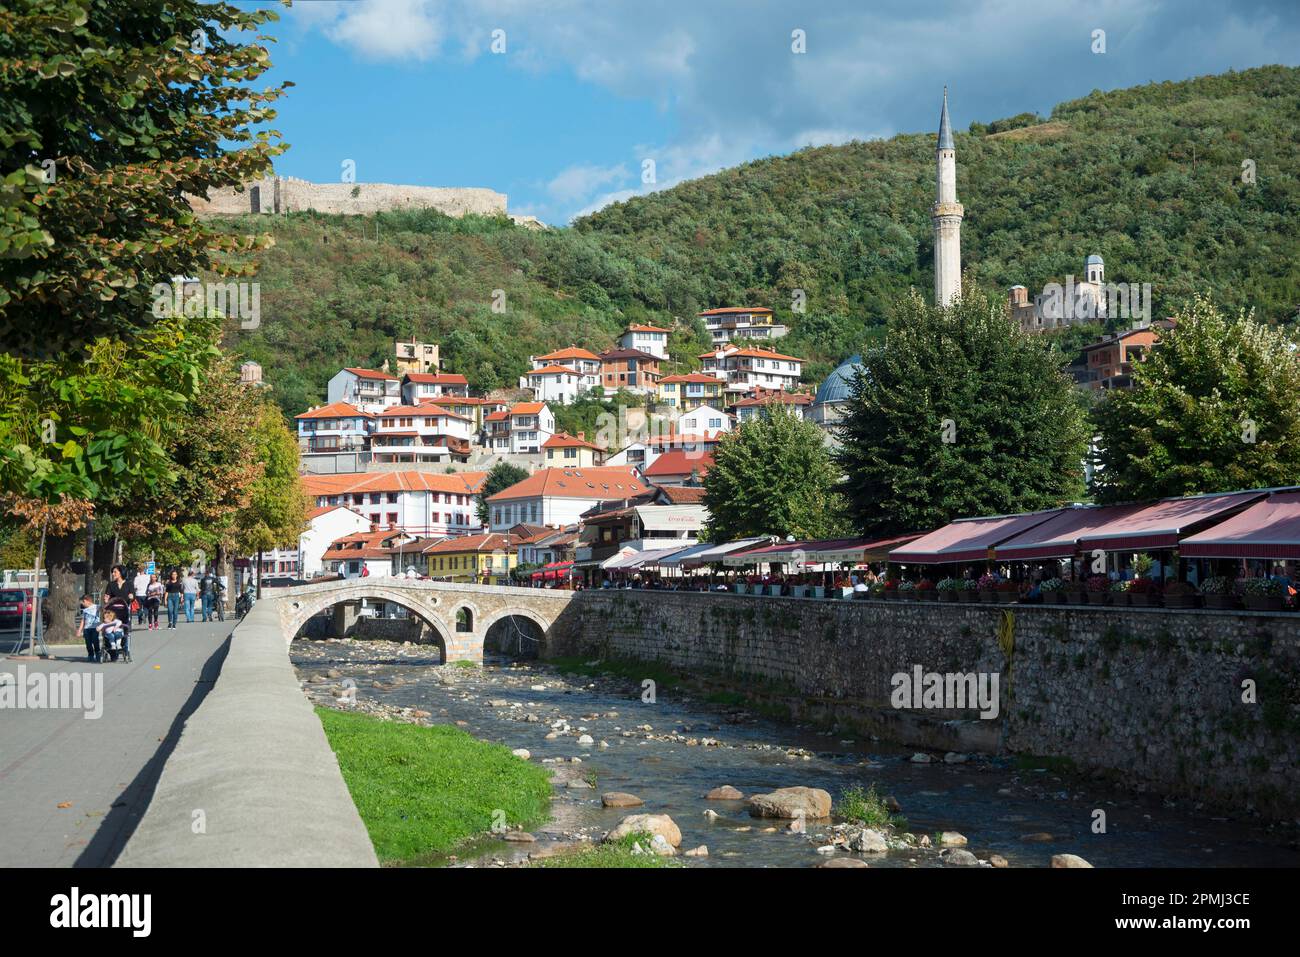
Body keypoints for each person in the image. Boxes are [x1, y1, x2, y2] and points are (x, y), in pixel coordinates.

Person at [105, 566, 134, 662]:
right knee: (109, 629)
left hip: (124, 610)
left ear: (121, 573)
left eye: (115, 572)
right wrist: (106, 599)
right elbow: (107, 595)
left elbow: (132, 596)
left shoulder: (129, 584)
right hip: (113, 612)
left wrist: (131, 596)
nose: (113, 574)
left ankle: (124, 648)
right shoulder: (111, 584)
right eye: (113, 572)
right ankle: (112, 652)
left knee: (124, 630)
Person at [80, 595, 101, 663]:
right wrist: (80, 630)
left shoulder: (96, 607)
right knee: (88, 642)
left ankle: (98, 653)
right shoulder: (85, 610)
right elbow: (83, 620)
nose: (82, 605)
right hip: (86, 628)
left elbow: (104, 610)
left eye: (83, 603)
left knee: (95, 641)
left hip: (95, 627)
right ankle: (90, 654)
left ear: (86, 601)